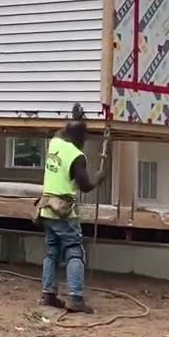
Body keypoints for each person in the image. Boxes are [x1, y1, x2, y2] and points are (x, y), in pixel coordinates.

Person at [34, 117, 109, 313]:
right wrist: (99, 178)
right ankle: (76, 298)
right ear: (81, 137)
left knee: (52, 252)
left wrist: (77, 117)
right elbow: (85, 186)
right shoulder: (77, 156)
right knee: (75, 251)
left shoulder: (55, 143)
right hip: (63, 211)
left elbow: (62, 130)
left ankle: (48, 294)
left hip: (46, 208)